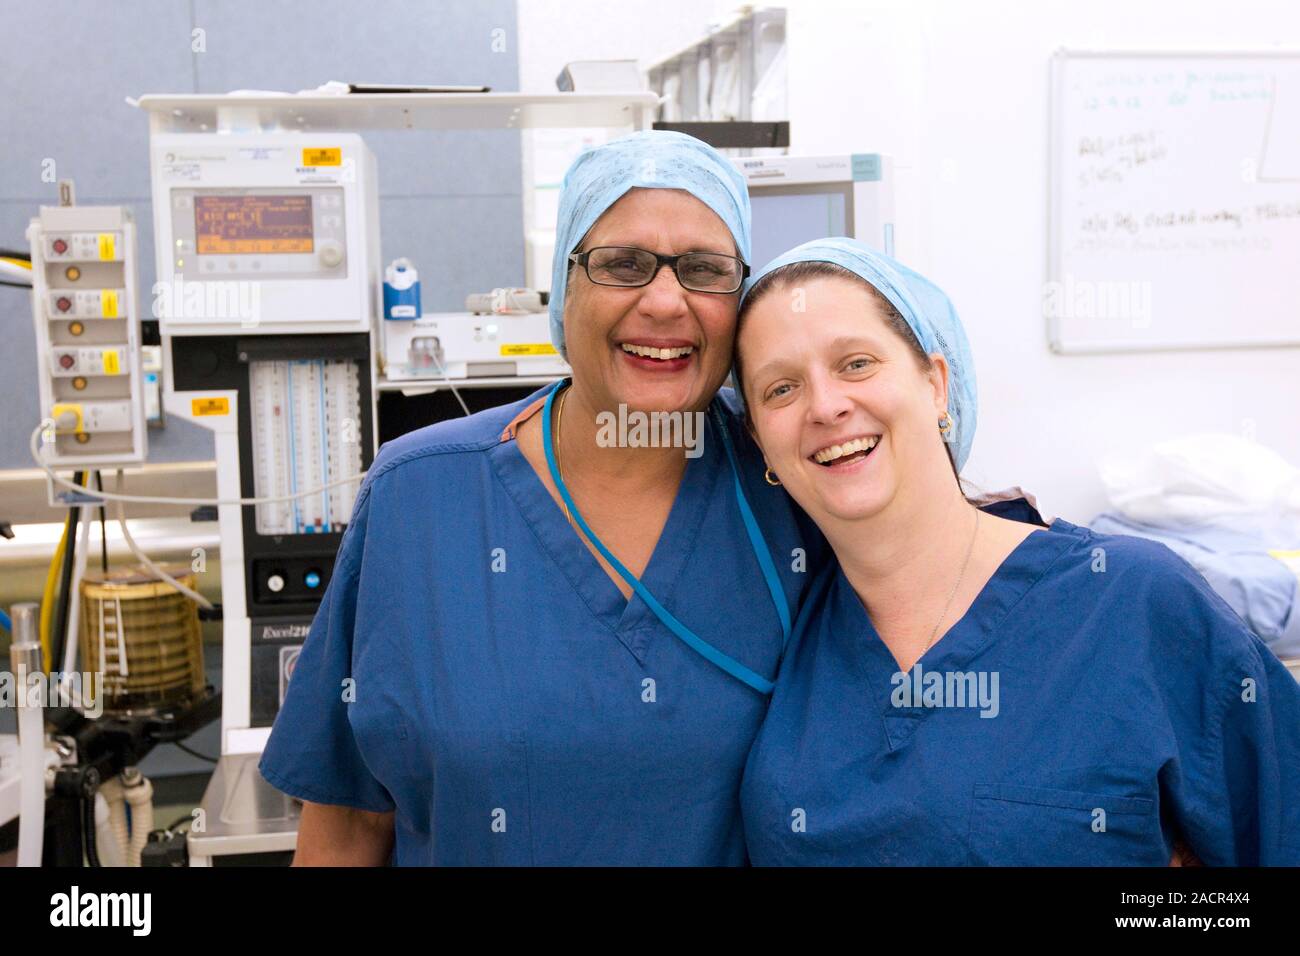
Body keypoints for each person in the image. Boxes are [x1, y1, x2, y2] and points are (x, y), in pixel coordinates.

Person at [258, 131, 827, 865]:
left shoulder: (795, 493)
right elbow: (347, 825)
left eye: (703, 269)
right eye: (621, 264)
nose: (664, 300)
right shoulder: (418, 499)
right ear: (565, 289)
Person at [734, 237, 1300, 865]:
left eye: (857, 363)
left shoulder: (1130, 603)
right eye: (780, 389)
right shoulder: (780, 633)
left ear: (936, 383)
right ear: (761, 444)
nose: (826, 405)